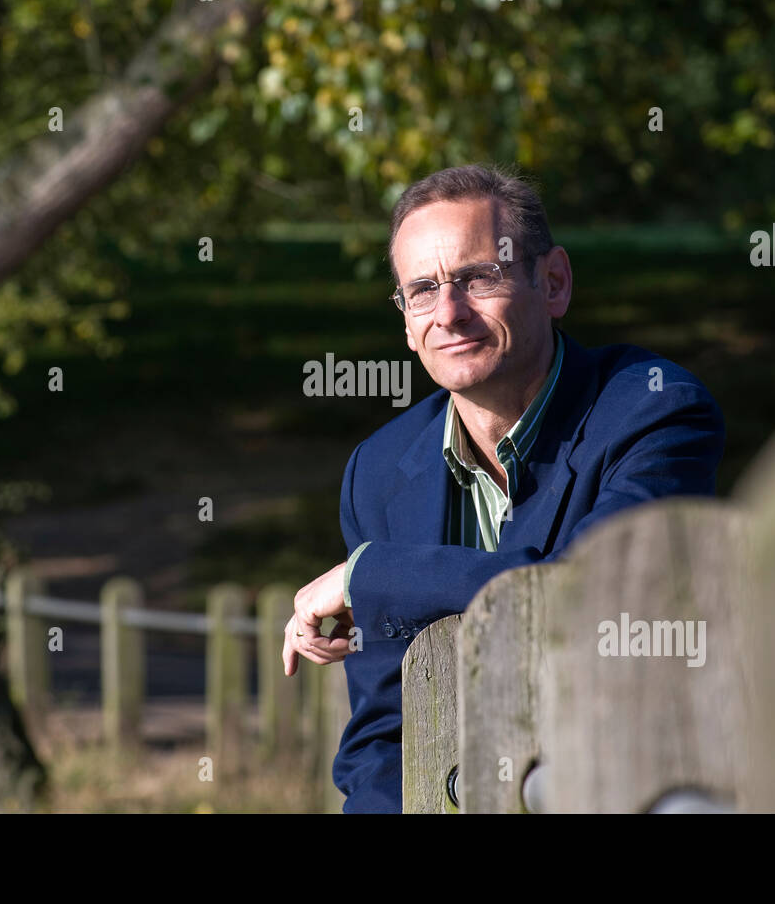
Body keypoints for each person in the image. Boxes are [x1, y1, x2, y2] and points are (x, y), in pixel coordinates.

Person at [280, 164, 726, 813]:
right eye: (423, 290)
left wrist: (369, 577)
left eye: (478, 277)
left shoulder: (653, 410)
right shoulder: (375, 473)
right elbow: (382, 737)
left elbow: (584, 596)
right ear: (406, 322)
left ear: (553, 282)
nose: (451, 313)